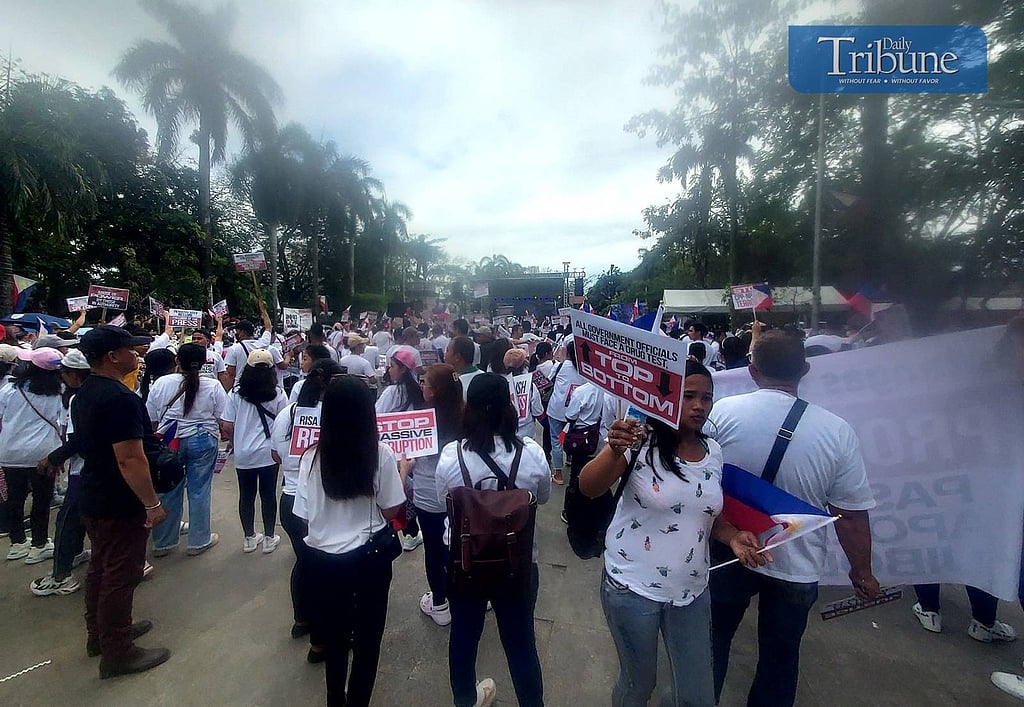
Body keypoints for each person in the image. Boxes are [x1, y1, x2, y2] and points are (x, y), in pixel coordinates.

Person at [580, 360, 770, 707]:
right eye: (689, 396)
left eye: (706, 398)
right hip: (631, 588)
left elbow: (705, 514)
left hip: (692, 591)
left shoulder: (714, 451)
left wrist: (733, 537)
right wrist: (613, 449)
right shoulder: (639, 441)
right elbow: (589, 487)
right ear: (666, 399)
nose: (699, 406)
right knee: (639, 683)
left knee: (697, 694)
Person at [708, 330, 879, 707]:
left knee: (711, 642)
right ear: (804, 370)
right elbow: (851, 516)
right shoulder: (837, 432)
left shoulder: (720, 413)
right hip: (797, 565)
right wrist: (862, 572)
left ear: (752, 371)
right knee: (780, 658)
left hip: (728, 551)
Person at [435, 373, 552, 707]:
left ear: (468, 408)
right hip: (517, 563)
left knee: (463, 637)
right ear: (509, 408)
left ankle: (464, 700)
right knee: (521, 643)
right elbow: (543, 498)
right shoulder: (531, 453)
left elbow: (445, 502)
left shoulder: (452, 455)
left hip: (465, 561)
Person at [294, 375, 406, 707]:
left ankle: (334, 699)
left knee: (335, 636)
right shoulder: (380, 454)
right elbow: (392, 510)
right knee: (368, 641)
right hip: (368, 560)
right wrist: (404, 472)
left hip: (322, 562)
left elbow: (303, 513)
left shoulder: (310, 458)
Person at [74, 325, 170, 678]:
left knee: (101, 567)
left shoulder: (86, 392)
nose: (137, 355)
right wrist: (151, 503)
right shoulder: (119, 398)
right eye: (130, 349)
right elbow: (130, 458)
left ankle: (101, 634)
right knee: (121, 572)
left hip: (94, 492)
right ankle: (117, 651)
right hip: (118, 499)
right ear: (112, 357)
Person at [273, 358, 342, 662]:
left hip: (290, 500)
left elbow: (275, 454)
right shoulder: (336, 415)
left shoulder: (287, 414)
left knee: (304, 561)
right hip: (325, 502)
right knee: (326, 569)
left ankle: (303, 620)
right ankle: (321, 640)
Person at [146, 343, 226, 558]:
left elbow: (151, 420)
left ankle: (163, 543)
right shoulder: (213, 386)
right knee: (199, 490)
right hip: (203, 440)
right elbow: (223, 419)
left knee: (168, 490)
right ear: (205, 362)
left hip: (169, 442)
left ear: (177, 361)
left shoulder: (161, 383)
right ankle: (199, 541)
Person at [30, 349, 93, 595]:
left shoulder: (80, 399)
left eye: (64, 372)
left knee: (67, 521)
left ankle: (61, 576)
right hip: (92, 469)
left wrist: (54, 457)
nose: (61, 377)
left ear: (75, 375)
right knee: (84, 519)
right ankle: (75, 554)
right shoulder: (94, 394)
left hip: (84, 470)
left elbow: (78, 439)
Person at [410, 363, 464, 627]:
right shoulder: (468, 415)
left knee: (434, 548)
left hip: (429, 494)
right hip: (461, 494)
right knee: (461, 545)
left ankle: (440, 603)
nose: (422, 387)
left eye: (426, 383)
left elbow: (409, 454)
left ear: (435, 391)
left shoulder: (419, 417)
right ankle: (469, 594)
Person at [1, 347, 65, 564]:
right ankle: (39, 544)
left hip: (10, 451)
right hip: (43, 452)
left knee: (15, 497)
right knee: (42, 499)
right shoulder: (60, 392)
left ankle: (17, 543)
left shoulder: (10, 389)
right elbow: (62, 423)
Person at [221, 349, 288, 554]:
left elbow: (227, 425)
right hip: (268, 453)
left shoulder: (236, 394)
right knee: (268, 495)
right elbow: (284, 423)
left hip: (243, 454)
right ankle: (269, 537)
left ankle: (249, 538)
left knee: (246, 495)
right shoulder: (278, 393)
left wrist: (234, 442)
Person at [375, 346, 425, 551]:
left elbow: (376, 416)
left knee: (397, 495)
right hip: (416, 452)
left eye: (393, 366)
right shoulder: (420, 392)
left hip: (394, 455)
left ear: (403, 369)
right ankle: (412, 532)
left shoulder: (391, 392)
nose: (389, 370)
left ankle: (409, 532)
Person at [546, 339, 584, 486]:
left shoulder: (559, 366)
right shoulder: (584, 369)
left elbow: (548, 381)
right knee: (571, 436)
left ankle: (558, 474)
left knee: (556, 440)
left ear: (567, 352)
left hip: (556, 409)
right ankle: (570, 460)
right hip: (575, 411)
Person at [446, 335, 483, 399]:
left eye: (447, 351)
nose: (445, 354)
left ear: (457, 357)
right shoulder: (483, 375)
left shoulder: (457, 386)